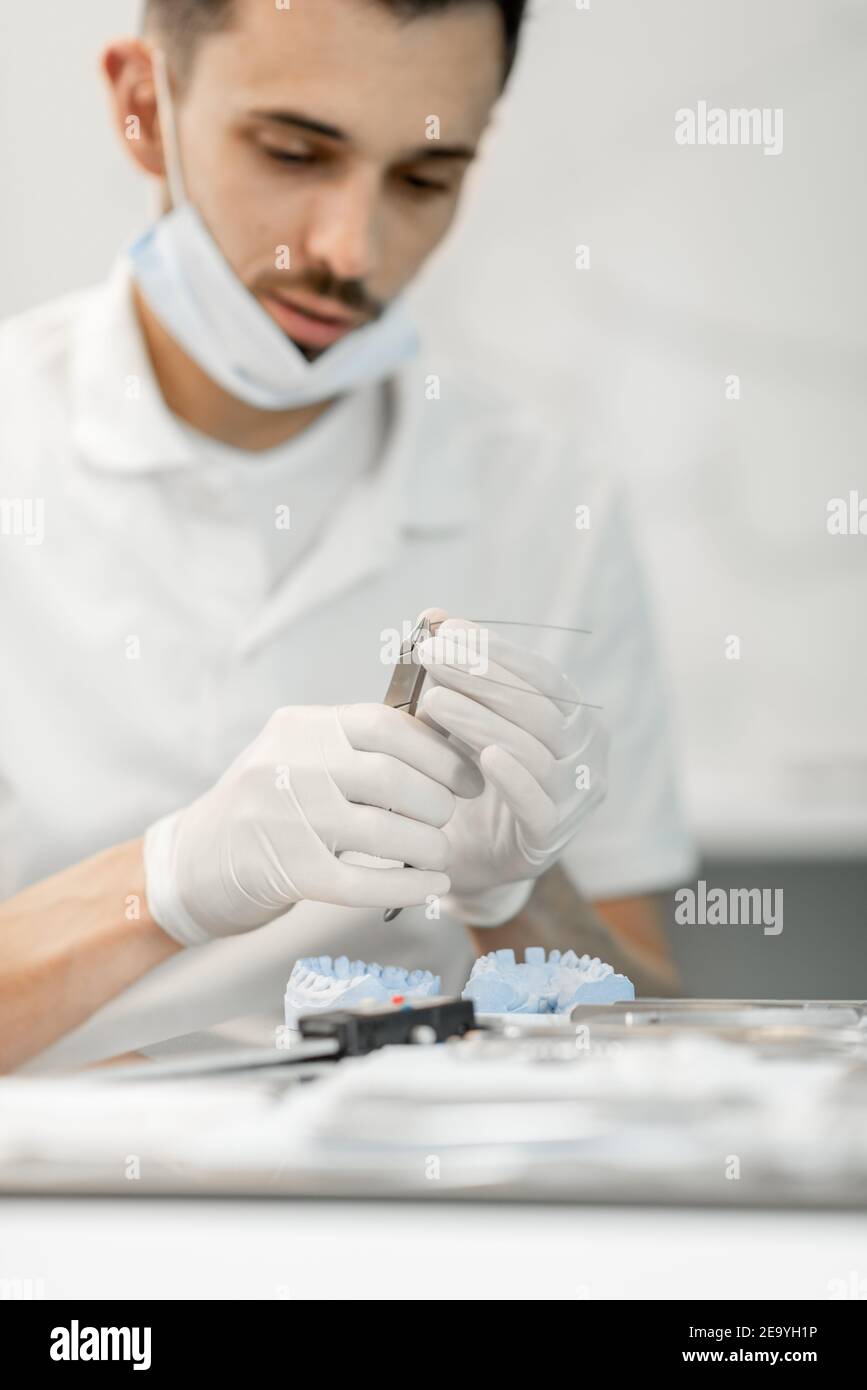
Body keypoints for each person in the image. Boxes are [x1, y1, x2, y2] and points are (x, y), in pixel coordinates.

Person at [0, 0, 695, 1072]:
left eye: (425, 179)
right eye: (292, 151)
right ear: (146, 107)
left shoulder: (548, 498)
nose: (350, 250)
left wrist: (516, 895)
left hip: (414, 1211)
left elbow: (661, 1046)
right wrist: (169, 881)